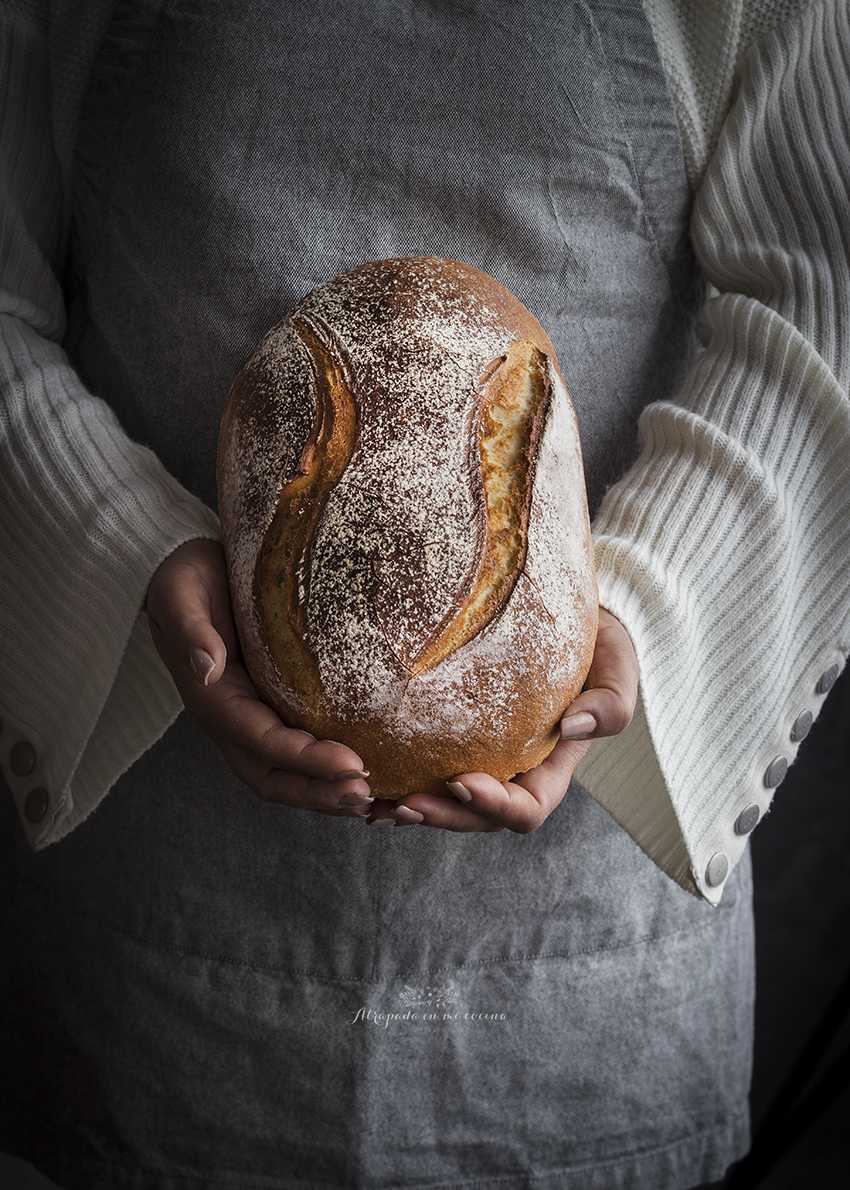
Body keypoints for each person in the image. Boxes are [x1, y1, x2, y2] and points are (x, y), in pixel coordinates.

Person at [1, 0, 848, 1187]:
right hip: (161, 908)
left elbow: (827, 290)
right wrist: (127, 538)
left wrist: (632, 609)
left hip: (581, 944)